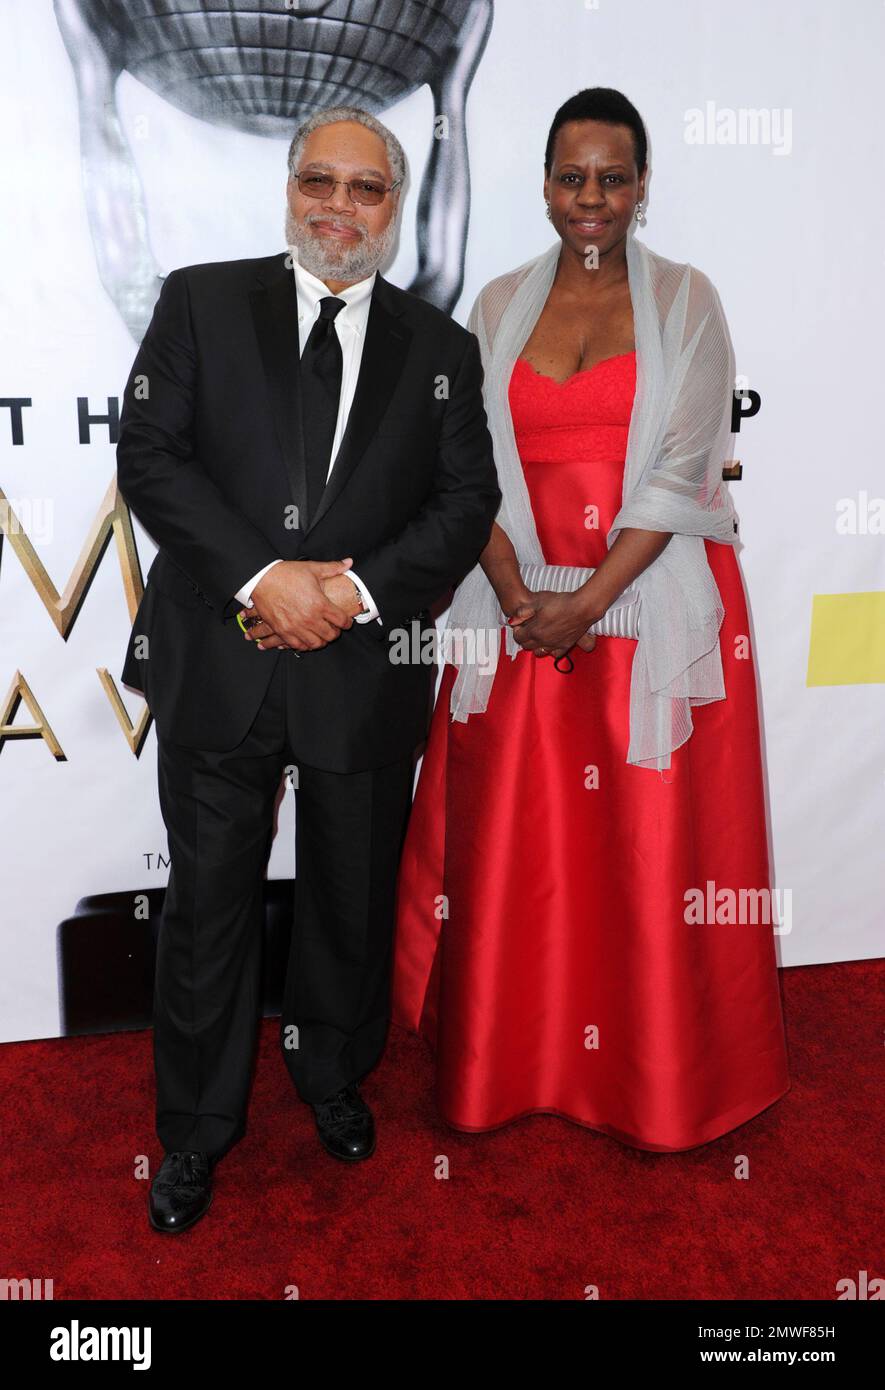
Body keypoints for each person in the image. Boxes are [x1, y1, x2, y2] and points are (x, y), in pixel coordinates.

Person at [116, 105, 500, 1232]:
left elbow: (465, 503)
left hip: (362, 667)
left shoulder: (441, 350)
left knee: (350, 897)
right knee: (206, 910)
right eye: (318, 182)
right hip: (217, 658)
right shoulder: (199, 301)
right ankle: (194, 1133)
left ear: (396, 206)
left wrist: (348, 594)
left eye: (365, 188)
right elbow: (151, 456)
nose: (339, 207)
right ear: (288, 190)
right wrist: (263, 579)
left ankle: (333, 1071)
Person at [391, 88, 790, 1152]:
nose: (592, 197)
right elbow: (462, 466)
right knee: (528, 855)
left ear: (643, 185)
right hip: (517, 611)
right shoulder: (496, 304)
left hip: (645, 613)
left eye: (613, 178)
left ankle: (653, 1079)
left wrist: (588, 602)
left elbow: (680, 474)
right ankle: (513, 1064)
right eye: (572, 177)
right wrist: (518, 593)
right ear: (544, 185)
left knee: (645, 854)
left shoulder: (688, 301)